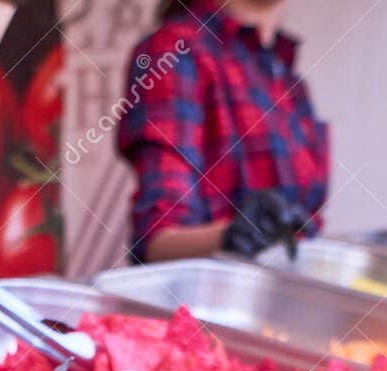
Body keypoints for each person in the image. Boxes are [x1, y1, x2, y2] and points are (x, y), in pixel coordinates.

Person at [117, 0, 329, 262]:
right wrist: (233, 236)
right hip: (210, 300)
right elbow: (154, 245)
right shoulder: (176, 51)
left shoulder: (289, 80)